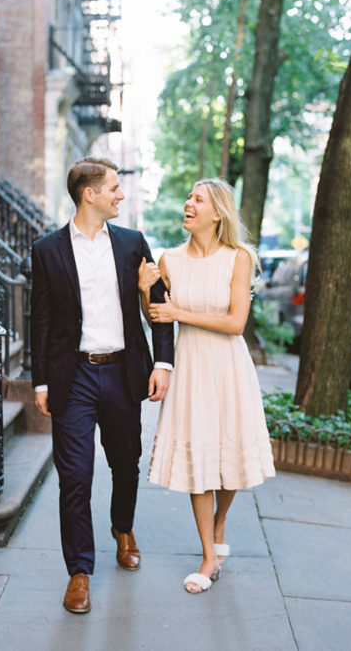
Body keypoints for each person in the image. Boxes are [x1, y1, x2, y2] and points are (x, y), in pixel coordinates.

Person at [30, 156, 175, 614]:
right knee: (74, 477)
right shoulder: (47, 249)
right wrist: (39, 381)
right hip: (71, 376)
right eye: (113, 187)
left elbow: (159, 302)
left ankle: (123, 527)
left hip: (122, 371)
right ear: (89, 194)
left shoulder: (133, 244)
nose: (121, 194)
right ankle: (79, 572)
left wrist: (164, 362)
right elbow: (41, 319)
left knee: (125, 463)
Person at [141, 178, 276, 594]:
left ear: (217, 213)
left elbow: (236, 323)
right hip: (191, 366)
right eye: (188, 197)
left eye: (197, 199)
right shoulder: (169, 260)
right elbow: (157, 318)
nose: (188, 203)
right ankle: (208, 554)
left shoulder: (239, 257)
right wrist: (146, 292)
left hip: (229, 365)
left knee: (231, 452)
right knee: (199, 460)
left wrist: (179, 310)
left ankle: (220, 522)